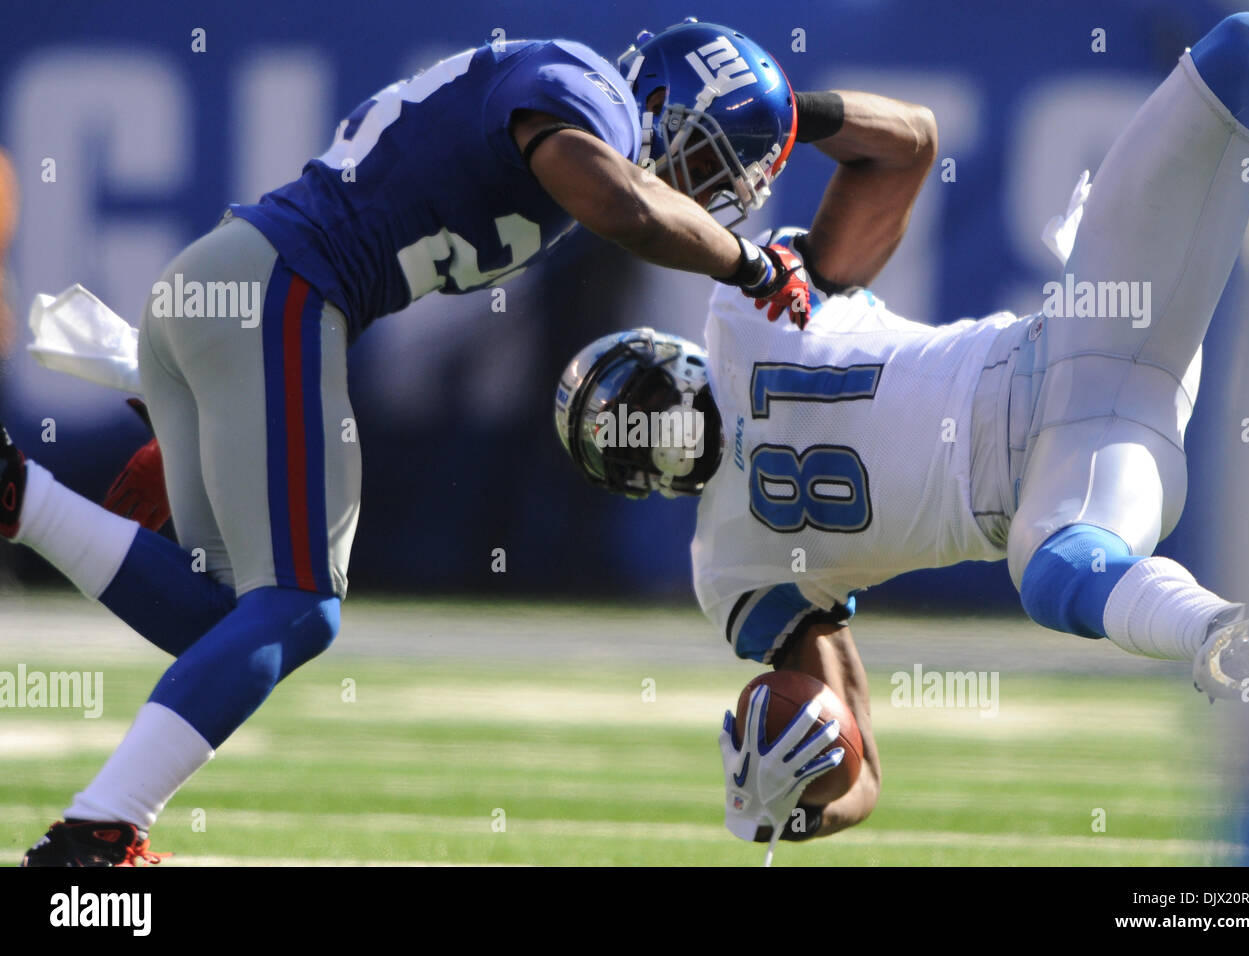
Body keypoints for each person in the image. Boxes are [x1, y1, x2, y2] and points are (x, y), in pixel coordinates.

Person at [0, 19, 815, 866]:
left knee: (224, 619)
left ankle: (21, 496)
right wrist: (751, 266)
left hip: (243, 291)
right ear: (663, 103)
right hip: (276, 292)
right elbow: (621, 202)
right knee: (301, 608)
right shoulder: (587, 90)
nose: (707, 194)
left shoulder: (566, 97)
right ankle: (96, 834)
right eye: (710, 162)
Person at [555, 13, 1249, 852]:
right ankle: (1229, 638)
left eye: (639, 401)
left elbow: (907, 144)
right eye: (626, 445)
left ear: (668, 357)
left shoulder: (745, 308)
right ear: (633, 484)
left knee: (1247, 52)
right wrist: (791, 805)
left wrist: (782, 110)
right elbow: (861, 775)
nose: (654, 429)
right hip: (1075, 470)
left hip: (1082, 336)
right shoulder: (735, 569)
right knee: (1055, 574)